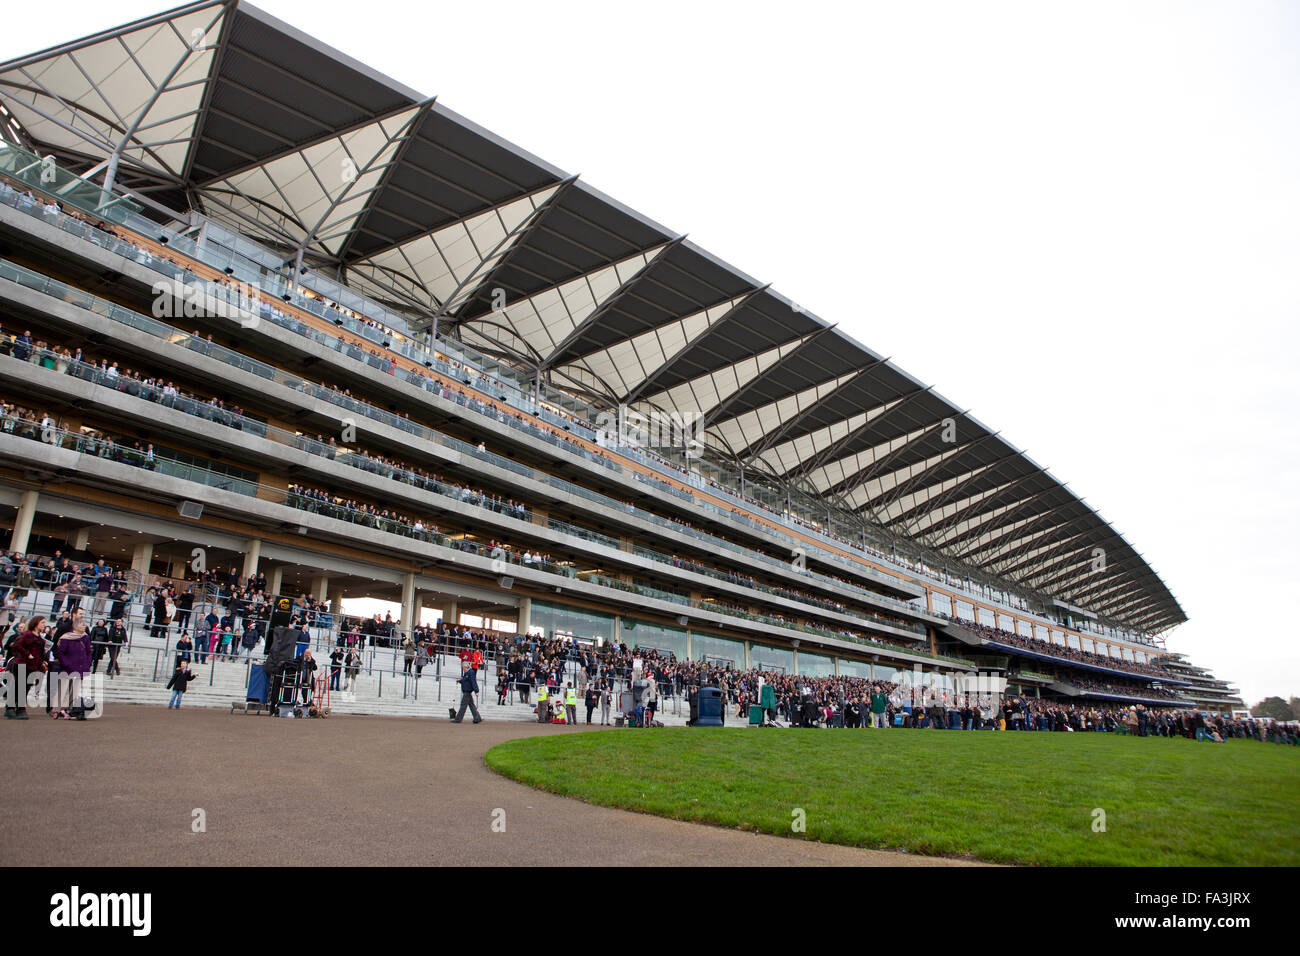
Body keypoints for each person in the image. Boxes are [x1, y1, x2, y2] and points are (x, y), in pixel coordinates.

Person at [4, 615, 48, 719]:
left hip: (33, 667)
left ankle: (19, 708)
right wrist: (27, 654)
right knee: (19, 687)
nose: (44, 625)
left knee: (26, 688)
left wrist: (42, 663)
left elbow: (41, 653)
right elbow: (17, 645)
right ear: (36, 623)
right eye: (42, 622)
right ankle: (11, 708)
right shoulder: (27, 635)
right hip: (22, 664)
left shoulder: (40, 639)